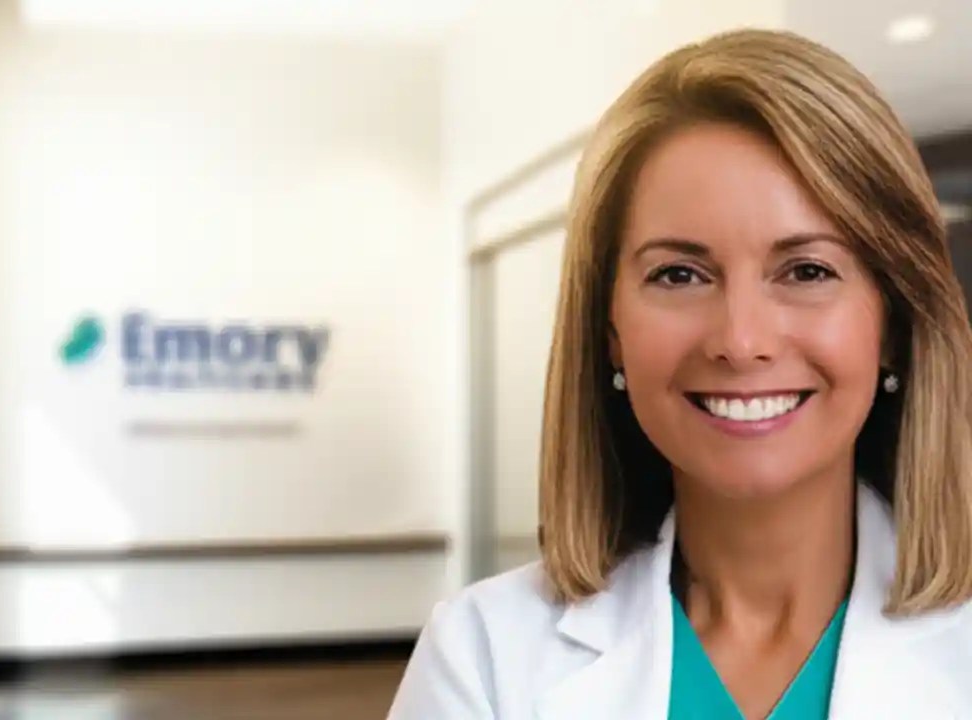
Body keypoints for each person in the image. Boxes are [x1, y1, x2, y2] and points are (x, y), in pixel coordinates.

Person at [388, 28, 972, 720]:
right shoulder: (483, 657)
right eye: (680, 274)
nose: (741, 340)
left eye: (808, 270)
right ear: (610, 332)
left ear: (896, 325)